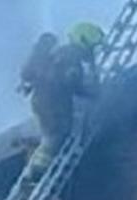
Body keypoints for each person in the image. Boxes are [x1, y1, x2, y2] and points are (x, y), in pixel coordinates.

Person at [19, 21, 105, 179]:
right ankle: (38, 172)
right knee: (57, 135)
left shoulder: (60, 53)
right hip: (53, 104)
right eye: (93, 46)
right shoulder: (71, 59)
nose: (93, 51)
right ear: (84, 41)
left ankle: (36, 169)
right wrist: (93, 91)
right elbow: (73, 83)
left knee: (51, 135)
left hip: (43, 99)